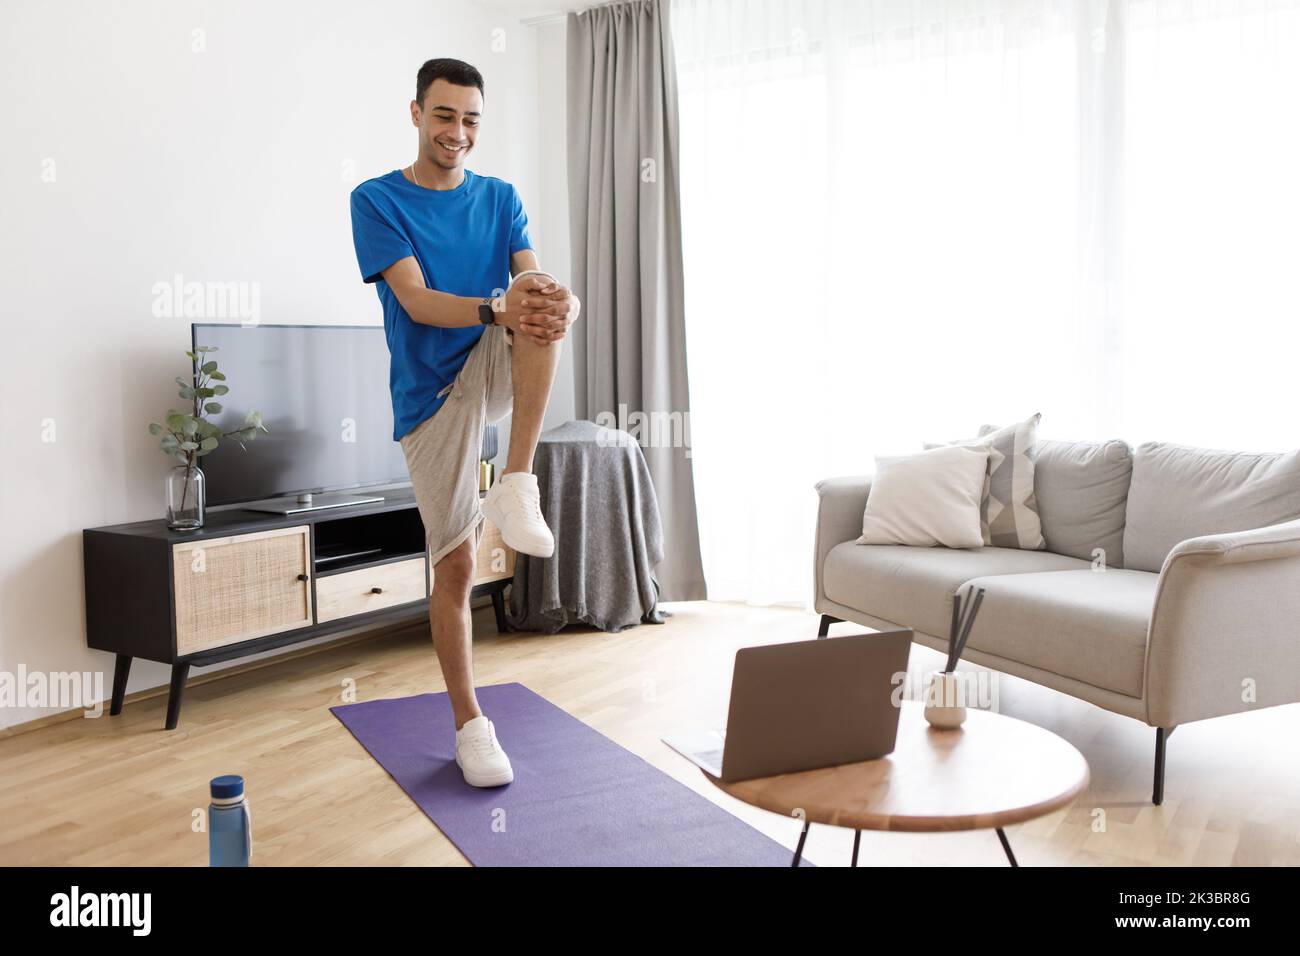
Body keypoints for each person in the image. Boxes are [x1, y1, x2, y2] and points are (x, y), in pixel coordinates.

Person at [349, 57, 579, 787]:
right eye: (444, 115)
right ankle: (470, 725)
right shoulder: (377, 200)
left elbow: (528, 283)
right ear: (416, 114)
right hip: (430, 393)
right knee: (454, 563)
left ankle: (516, 482)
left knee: (541, 298)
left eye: (470, 118)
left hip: (494, 360)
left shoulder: (501, 197)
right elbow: (416, 301)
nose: (457, 131)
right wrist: (498, 309)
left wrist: (552, 302)